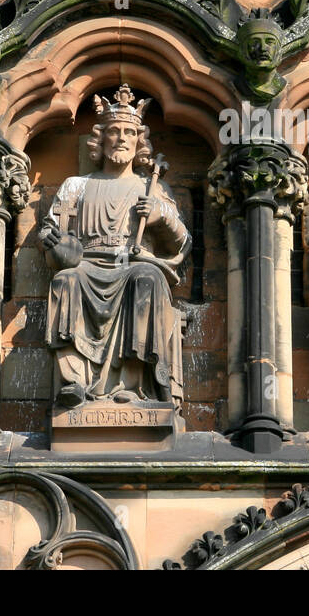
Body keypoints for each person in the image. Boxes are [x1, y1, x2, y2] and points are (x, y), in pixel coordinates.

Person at [41, 84, 189, 406]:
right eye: (114, 131)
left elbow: (183, 242)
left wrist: (160, 216)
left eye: (129, 133)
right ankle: (74, 381)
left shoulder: (152, 187)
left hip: (133, 263)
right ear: (100, 139)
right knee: (65, 280)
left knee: (146, 279)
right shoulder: (76, 186)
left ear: (139, 143)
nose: (121, 138)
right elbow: (52, 230)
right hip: (87, 263)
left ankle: (133, 383)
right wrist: (53, 242)